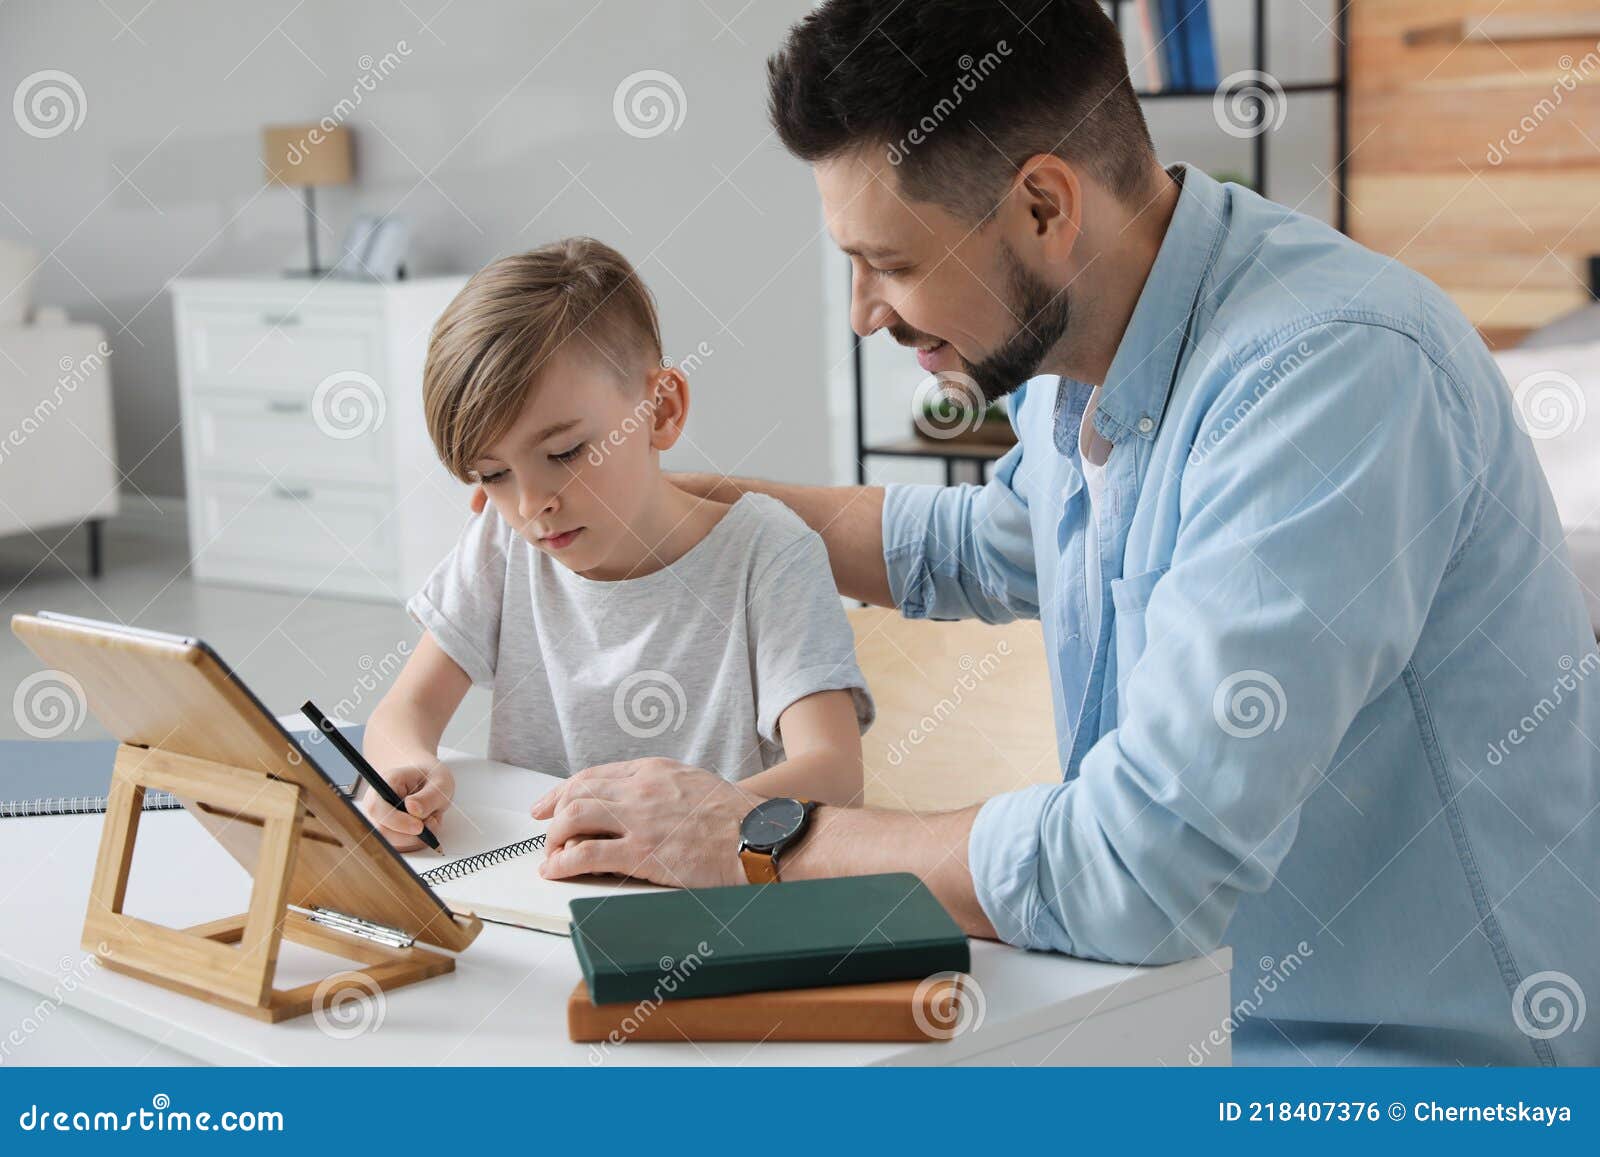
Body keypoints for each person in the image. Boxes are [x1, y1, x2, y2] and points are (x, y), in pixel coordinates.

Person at [526, 1, 1600, 1066]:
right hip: (1182, 1014)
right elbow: (976, 543)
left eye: (890, 263)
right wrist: (663, 502)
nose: (864, 311)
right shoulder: (1083, 344)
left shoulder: (1326, 376)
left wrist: (753, 838)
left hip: (1421, 1073)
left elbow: (1139, 871)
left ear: (1044, 204)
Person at [361, 237, 874, 858]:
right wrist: (408, 767)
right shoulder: (501, 543)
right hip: (544, 888)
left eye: (564, 454)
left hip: (710, 905)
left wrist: (690, 822)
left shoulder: (769, 554)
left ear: (660, 410)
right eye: (493, 475)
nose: (531, 505)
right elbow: (401, 713)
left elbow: (837, 778)